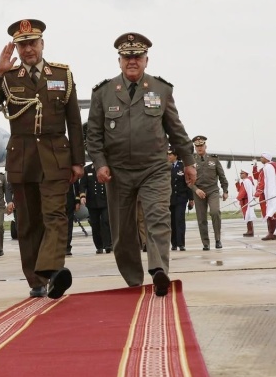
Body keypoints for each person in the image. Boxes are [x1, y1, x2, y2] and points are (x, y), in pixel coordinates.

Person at [0, 19, 84, 299]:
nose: (27, 50)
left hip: (55, 156)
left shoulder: (63, 75)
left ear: (42, 44)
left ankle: (52, 270)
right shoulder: (8, 77)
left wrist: (77, 161)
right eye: (22, 45)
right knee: (28, 222)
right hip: (22, 158)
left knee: (56, 215)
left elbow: (74, 122)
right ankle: (35, 279)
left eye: (32, 43)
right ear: (17, 48)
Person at [86, 32, 196, 296]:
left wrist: (189, 160)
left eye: (137, 57)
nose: (132, 61)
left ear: (146, 60)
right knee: (123, 231)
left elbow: (176, 130)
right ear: (119, 61)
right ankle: (134, 279)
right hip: (118, 172)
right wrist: (99, 163)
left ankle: (159, 271)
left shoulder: (161, 89)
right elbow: (94, 135)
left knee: (158, 217)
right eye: (127, 57)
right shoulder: (103, 93)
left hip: (154, 169)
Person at [189, 135, 229, 250]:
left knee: (215, 212)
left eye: (201, 145)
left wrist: (225, 190)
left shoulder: (214, 159)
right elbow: (188, 180)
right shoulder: (191, 160)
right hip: (198, 191)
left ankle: (217, 239)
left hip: (213, 190)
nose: (199, 148)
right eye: (197, 146)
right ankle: (205, 243)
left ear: (205, 146)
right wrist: (196, 190)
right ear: (195, 147)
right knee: (201, 218)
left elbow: (222, 176)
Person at [78, 161, 111, 253]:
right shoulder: (87, 169)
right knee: (95, 224)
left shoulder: (106, 168)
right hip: (93, 202)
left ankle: (108, 244)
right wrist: (82, 196)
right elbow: (82, 185)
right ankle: (99, 246)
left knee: (106, 221)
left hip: (105, 200)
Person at [168, 148, 194, 251]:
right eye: (167, 154)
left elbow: (188, 183)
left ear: (175, 155)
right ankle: (173, 243)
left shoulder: (183, 167)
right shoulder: (166, 167)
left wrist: (191, 198)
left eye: (170, 154)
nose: (168, 156)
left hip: (181, 198)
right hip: (169, 199)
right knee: (171, 222)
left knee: (179, 221)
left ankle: (181, 243)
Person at [254, 152, 276, 240]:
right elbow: (257, 177)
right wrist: (254, 167)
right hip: (266, 193)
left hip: (268, 193)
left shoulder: (268, 167)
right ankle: (271, 233)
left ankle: (272, 233)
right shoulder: (267, 167)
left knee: (270, 212)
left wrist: (257, 192)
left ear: (266, 158)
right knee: (268, 212)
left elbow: (263, 181)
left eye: (262, 157)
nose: (260, 159)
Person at [235, 169, 257, 237]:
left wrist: (237, 198)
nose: (240, 174)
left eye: (242, 173)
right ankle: (249, 230)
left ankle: (250, 231)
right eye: (240, 173)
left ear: (246, 174)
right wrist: (237, 183)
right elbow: (240, 190)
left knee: (248, 215)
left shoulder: (246, 181)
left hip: (246, 200)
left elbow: (243, 192)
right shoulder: (245, 181)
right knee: (246, 215)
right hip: (244, 200)